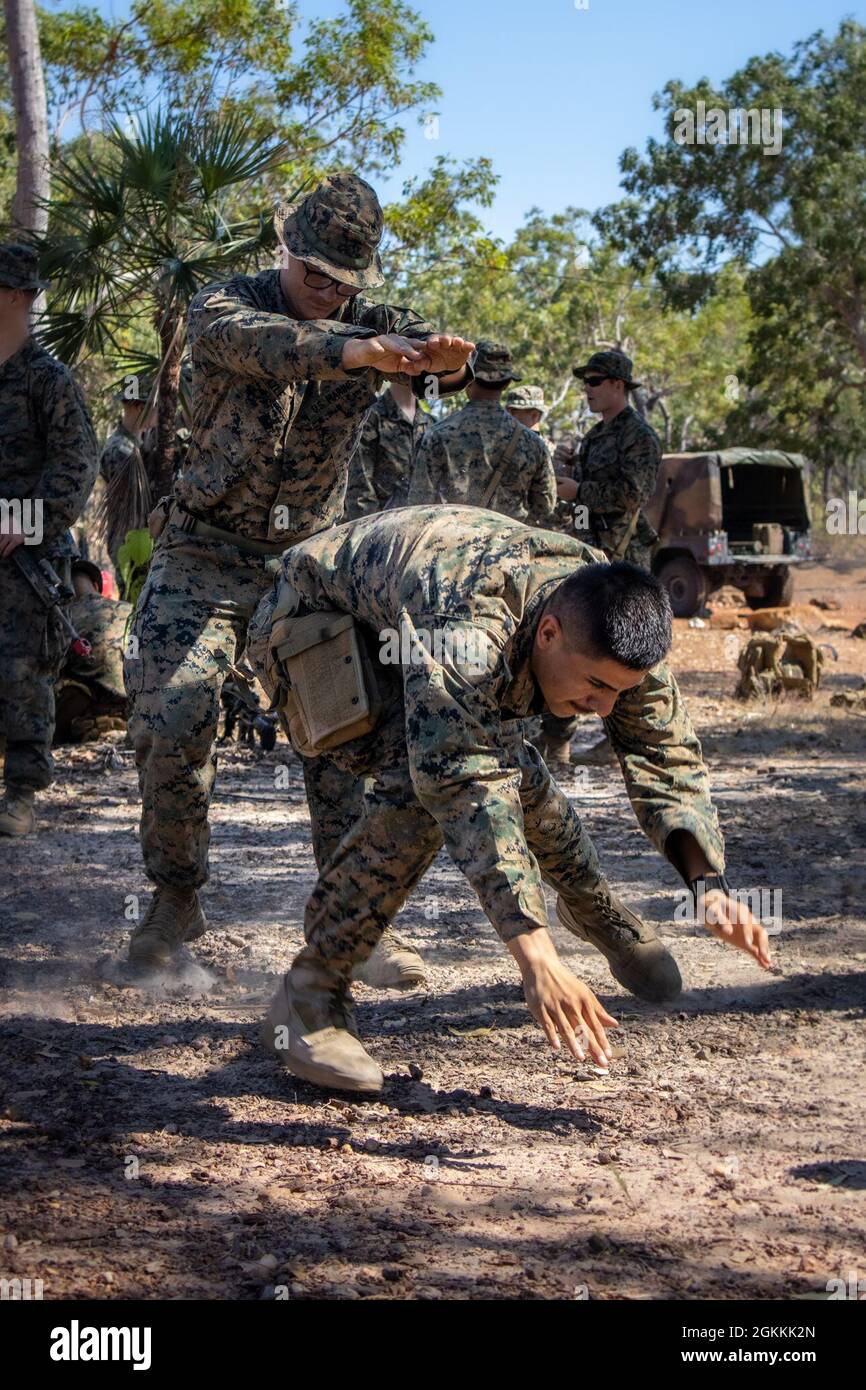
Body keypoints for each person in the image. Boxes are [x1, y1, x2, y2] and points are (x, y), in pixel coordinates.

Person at [248, 505, 771, 1095]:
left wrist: (707, 884)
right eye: (596, 687)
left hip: (410, 620)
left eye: (615, 692)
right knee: (423, 786)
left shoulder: (609, 614)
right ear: (548, 634)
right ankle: (310, 993)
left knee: (506, 765)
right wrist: (537, 958)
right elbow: (463, 786)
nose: (603, 709)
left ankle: (589, 904)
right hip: (315, 626)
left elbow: (663, 748)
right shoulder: (466, 624)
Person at [124, 173, 474, 971]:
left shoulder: (375, 322)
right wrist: (357, 353)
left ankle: (352, 920)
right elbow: (268, 348)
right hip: (204, 551)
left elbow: (435, 359)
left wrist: (445, 365)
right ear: (286, 248)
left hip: (308, 563)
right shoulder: (223, 305)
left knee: (344, 732)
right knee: (171, 715)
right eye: (313, 273)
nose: (326, 291)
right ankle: (176, 900)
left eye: (344, 283)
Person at [0, 243, 98, 837]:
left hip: (29, 559)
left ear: (13, 295)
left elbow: (77, 465)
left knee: (23, 671)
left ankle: (21, 794)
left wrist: (25, 520)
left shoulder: (47, 378)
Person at [542, 350, 662, 764]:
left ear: (617, 385)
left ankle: (625, 740)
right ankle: (557, 740)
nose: (587, 390)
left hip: (624, 559)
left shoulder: (638, 436)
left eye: (594, 382)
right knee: (575, 645)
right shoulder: (595, 435)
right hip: (592, 555)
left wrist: (579, 492)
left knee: (627, 654)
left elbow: (633, 495)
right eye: (585, 382)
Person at [407, 342, 557, 526]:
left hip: (453, 546)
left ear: (468, 378)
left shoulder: (438, 436)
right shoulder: (534, 444)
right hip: (510, 547)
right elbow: (546, 507)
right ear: (508, 383)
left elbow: (418, 505)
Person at [54, 559, 131, 743]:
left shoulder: (61, 621)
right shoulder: (128, 609)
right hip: (133, 706)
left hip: (81, 711)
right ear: (96, 586)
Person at [344, 380, 429, 518]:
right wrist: (371, 534)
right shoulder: (368, 418)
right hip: (378, 528)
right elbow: (359, 491)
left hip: (421, 527)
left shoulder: (431, 425)